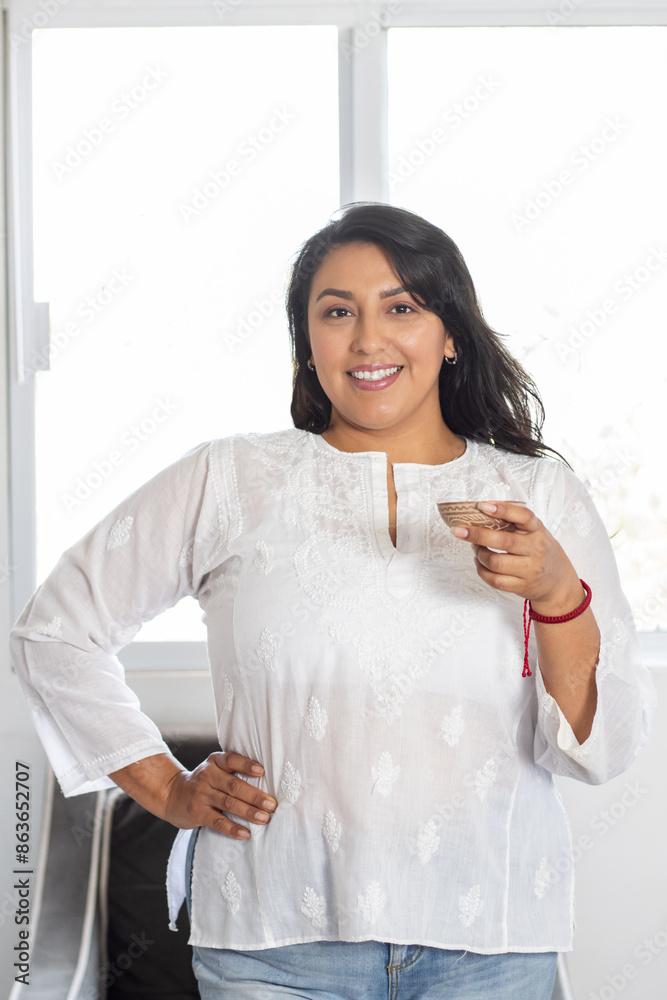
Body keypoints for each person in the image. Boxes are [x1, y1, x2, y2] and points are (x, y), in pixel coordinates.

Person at [10, 203, 657, 1000]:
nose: (367, 339)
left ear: (450, 334)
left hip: (488, 943)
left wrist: (560, 594)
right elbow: (55, 630)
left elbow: (600, 749)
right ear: (306, 341)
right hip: (272, 947)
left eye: (401, 308)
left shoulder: (535, 493)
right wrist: (167, 788)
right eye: (336, 312)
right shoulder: (227, 481)